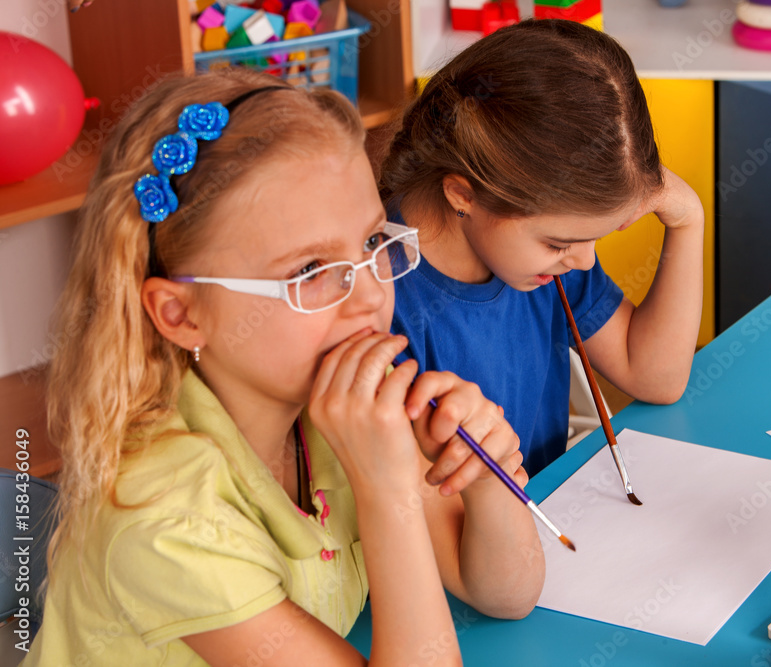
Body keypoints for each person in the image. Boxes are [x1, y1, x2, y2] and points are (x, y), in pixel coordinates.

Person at [24, 68, 543, 666]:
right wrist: (387, 489)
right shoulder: (165, 519)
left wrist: (484, 480)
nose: (371, 296)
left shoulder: (338, 404)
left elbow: (506, 595)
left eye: (371, 244)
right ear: (181, 314)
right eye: (309, 271)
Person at [380, 19, 705, 475]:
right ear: (462, 195)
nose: (585, 261)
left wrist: (688, 219)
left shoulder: (540, 259)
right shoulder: (379, 303)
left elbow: (655, 377)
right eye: (558, 243)